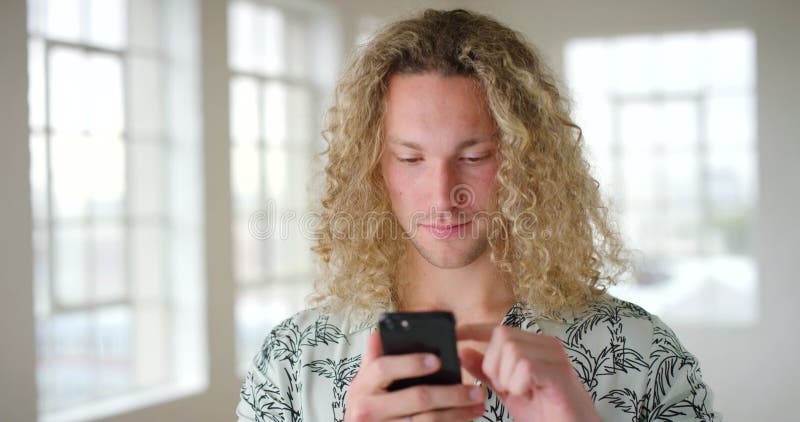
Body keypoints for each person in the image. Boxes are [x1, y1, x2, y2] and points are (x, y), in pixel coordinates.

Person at [236, 8, 718, 422]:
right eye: (410, 159)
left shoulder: (642, 354)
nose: (444, 196)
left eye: (474, 157)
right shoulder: (292, 361)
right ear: (372, 167)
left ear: (528, 161)